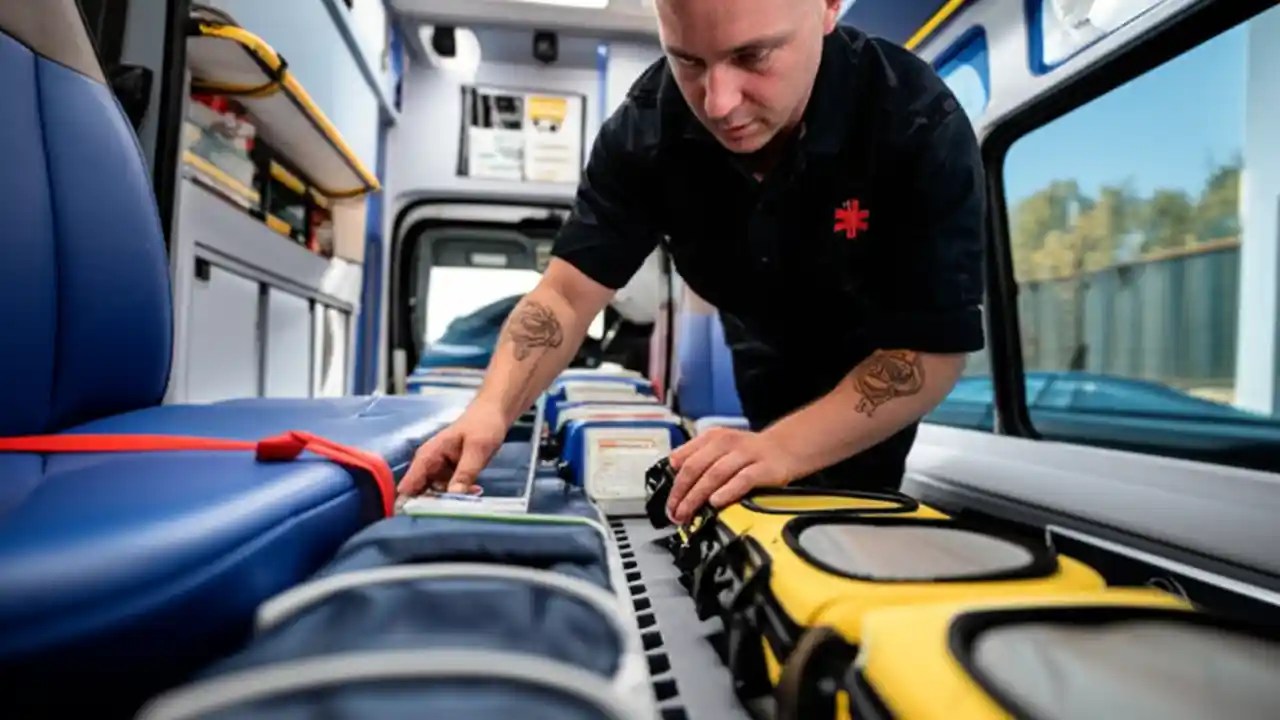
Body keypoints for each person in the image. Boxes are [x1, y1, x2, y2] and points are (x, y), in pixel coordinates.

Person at [398, 0, 986, 526]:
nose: (718, 103)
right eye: (688, 61)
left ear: (829, 7)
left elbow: (926, 353)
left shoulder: (914, 121)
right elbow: (565, 297)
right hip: (761, 355)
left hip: (875, 381)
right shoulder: (649, 129)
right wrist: (489, 411)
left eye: (752, 56)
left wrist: (780, 450)